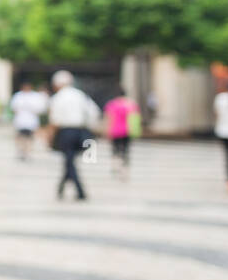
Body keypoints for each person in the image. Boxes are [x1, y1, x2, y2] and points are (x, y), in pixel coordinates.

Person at [49, 70, 99, 201]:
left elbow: (55, 120)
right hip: (80, 131)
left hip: (66, 132)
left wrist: (50, 136)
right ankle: (62, 187)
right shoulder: (80, 95)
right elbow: (94, 113)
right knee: (70, 160)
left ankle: (80, 190)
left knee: (69, 160)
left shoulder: (58, 97)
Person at [103, 86, 141, 179]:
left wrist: (106, 130)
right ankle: (125, 171)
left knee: (115, 150)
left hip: (115, 130)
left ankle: (116, 167)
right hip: (128, 131)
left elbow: (108, 118)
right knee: (125, 150)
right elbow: (136, 118)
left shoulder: (112, 104)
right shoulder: (131, 104)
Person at [9, 82, 47, 161]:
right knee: (20, 137)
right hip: (20, 120)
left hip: (31, 121)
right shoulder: (18, 95)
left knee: (30, 137)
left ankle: (28, 152)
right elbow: (13, 108)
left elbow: (40, 108)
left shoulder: (35, 96)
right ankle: (21, 151)